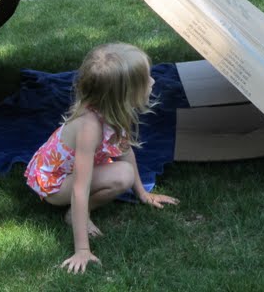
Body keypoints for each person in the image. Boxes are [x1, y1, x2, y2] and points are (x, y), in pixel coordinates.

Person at [25, 43, 179, 274]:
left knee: (124, 171)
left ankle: (79, 212)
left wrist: (143, 194)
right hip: (55, 185)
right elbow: (79, 188)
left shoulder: (115, 110)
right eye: (146, 79)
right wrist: (82, 250)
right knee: (122, 175)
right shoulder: (89, 128)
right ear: (126, 93)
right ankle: (76, 215)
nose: (153, 82)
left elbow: (125, 151)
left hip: (72, 173)